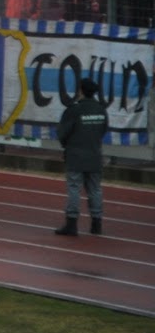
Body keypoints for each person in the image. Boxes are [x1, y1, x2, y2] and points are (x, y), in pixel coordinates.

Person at [53, 78, 108, 236]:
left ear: (81, 91)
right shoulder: (100, 109)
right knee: (95, 189)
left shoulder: (74, 110)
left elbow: (62, 132)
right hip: (94, 154)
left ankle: (72, 223)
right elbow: (104, 129)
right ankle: (96, 224)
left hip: (75, 155)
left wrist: (67, 144)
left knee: (74, 189)